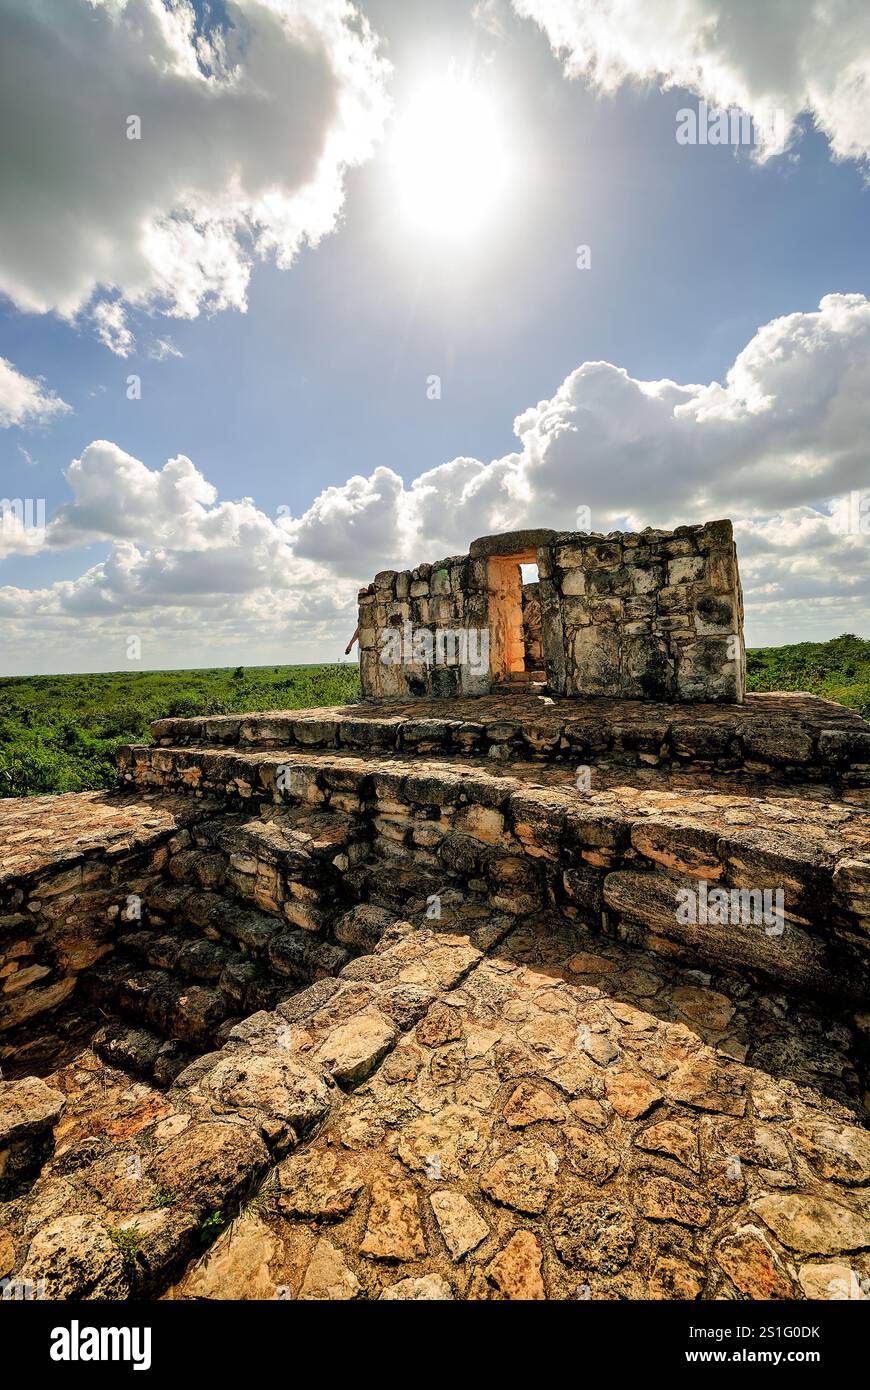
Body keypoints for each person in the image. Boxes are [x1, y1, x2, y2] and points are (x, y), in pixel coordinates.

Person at [345, 585, 372, 655]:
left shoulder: (367, 611)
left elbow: (358, 630)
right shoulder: (363, 611)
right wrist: (350, 644)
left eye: (364, 594)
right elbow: (359, 629)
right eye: (360, 594)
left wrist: (350, 644)